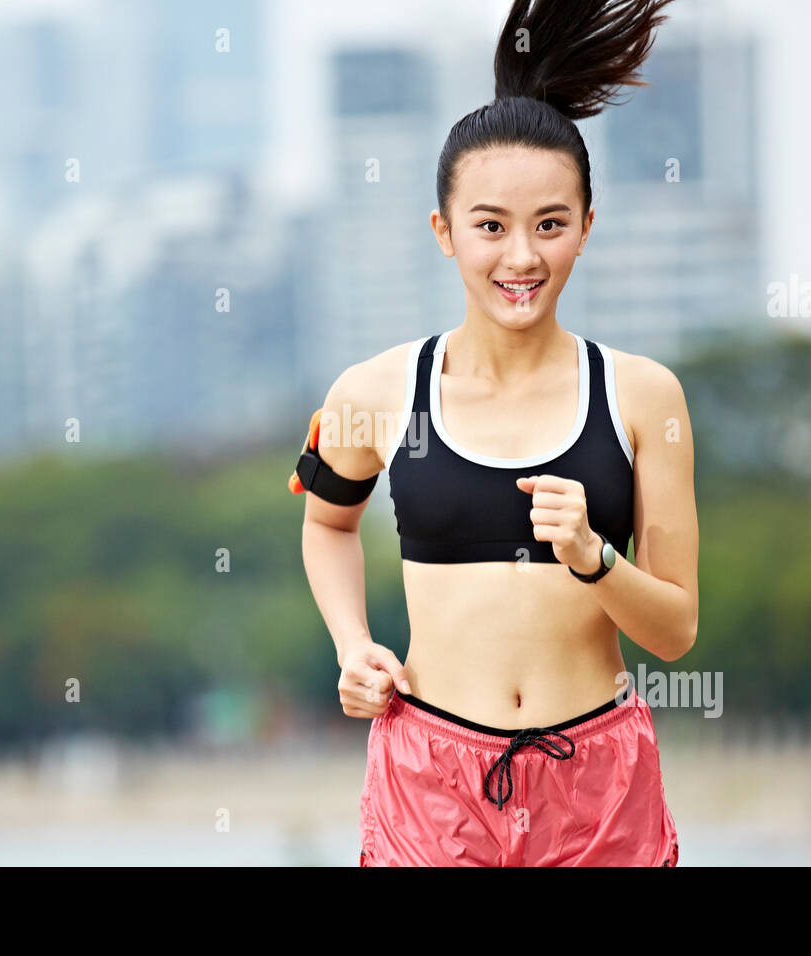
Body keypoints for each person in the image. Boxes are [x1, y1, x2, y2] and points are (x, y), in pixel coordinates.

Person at [291, 0, 694, 866]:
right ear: (444, 233)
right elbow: (327, 523)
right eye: (490, 226)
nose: (521, 258)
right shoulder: (377, 392)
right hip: (429, 788)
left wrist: (593, 556)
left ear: (587, 227)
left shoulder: (640, 397)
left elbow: (676, 630)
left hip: (600, 785)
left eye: (550, 224)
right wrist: (353, 646)